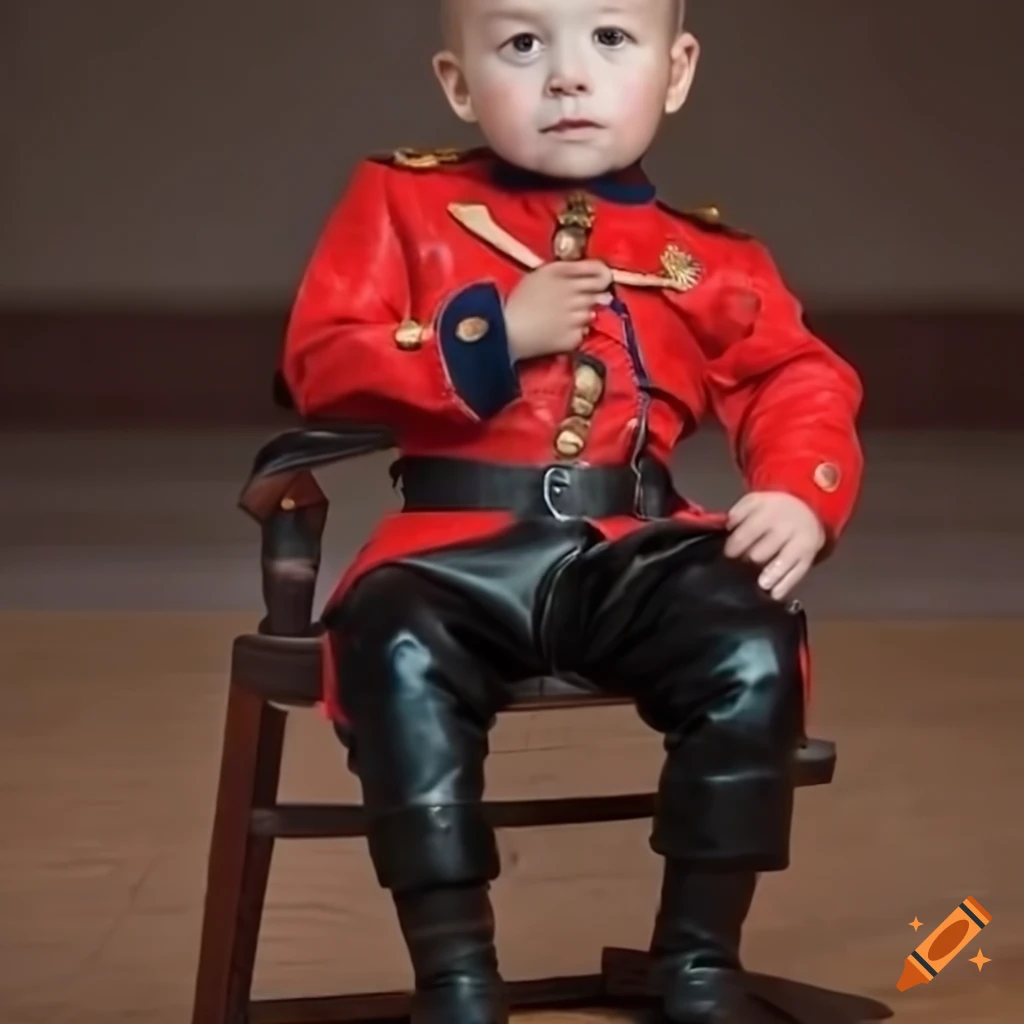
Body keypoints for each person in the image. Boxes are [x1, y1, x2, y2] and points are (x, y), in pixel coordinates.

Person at [278, 0, 864, 1021]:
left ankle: (695, 958)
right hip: (450, 553)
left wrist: (798, 490)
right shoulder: (399, 202)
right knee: (393, 642)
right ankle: (455, 972)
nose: (566, 76)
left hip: (626, 549)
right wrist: (490, 333)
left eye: (609, 39)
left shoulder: (708, 256)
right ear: (459, 84)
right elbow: (321, 360)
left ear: (675, 71)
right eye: (520, 44)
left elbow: (796, 379)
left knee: (749, 634)